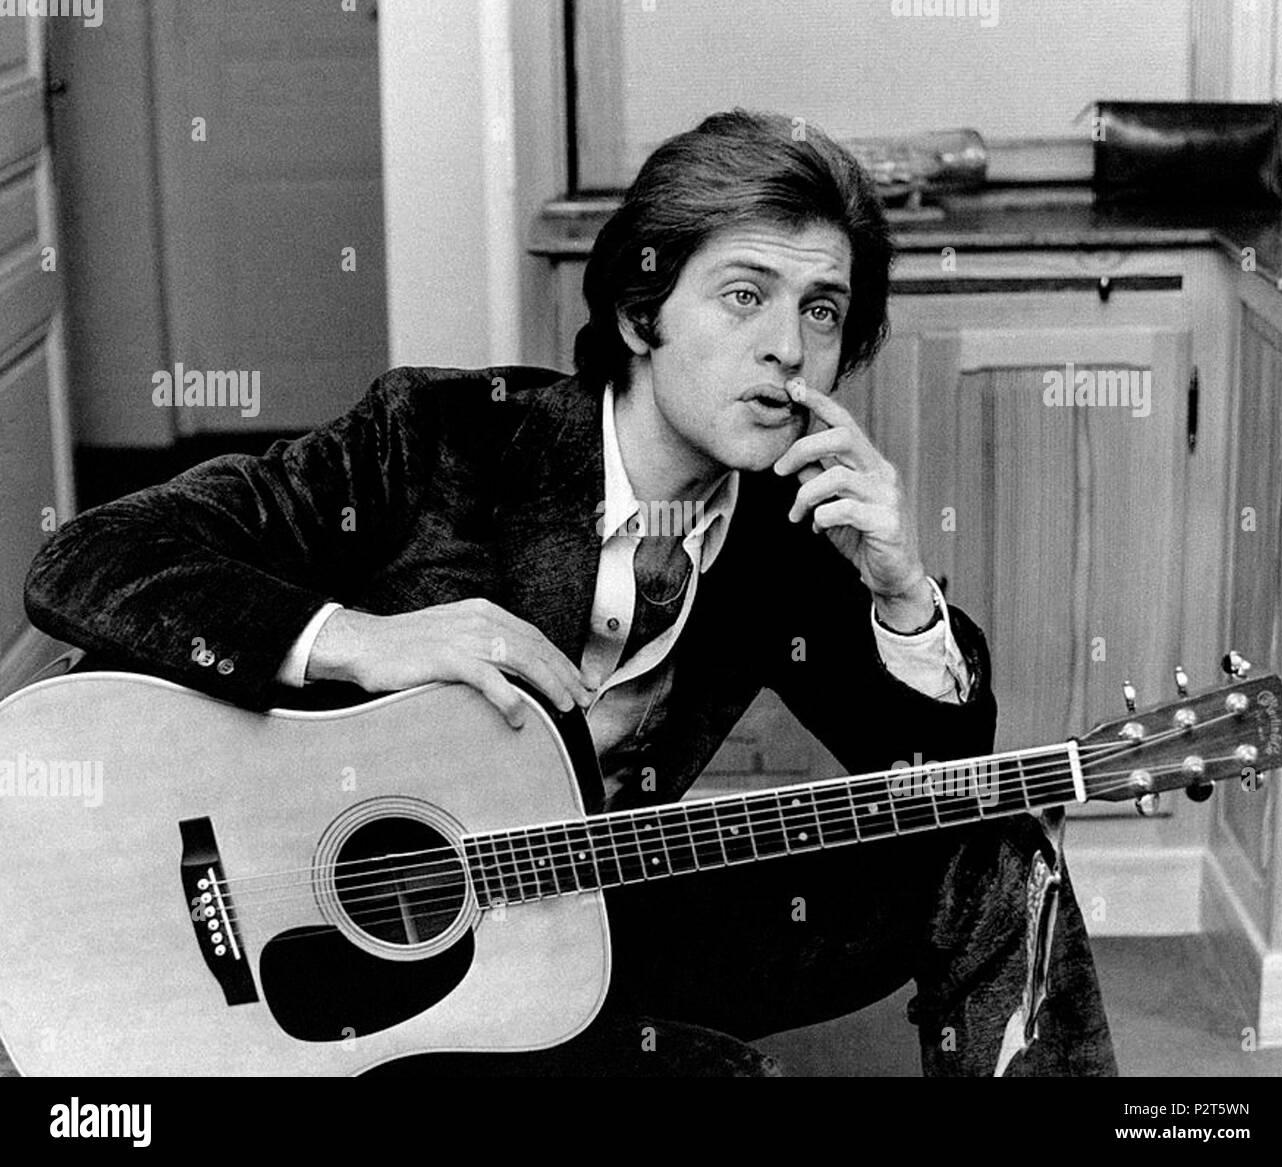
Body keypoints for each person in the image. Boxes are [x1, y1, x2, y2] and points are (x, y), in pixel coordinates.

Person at [24, 109, 1116, 1076]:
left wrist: (901, 590)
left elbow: (938, 773)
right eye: (745, 295)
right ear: (643, 314)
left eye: (822, 311)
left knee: (996, 841)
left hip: (600, 906)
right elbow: (86, 558)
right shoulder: (439, 438)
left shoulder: (790, 540)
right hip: (370, 958)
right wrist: (355, 639)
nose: (789, 349)